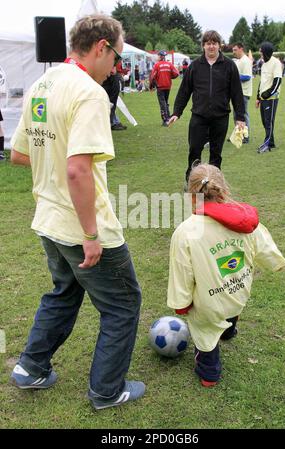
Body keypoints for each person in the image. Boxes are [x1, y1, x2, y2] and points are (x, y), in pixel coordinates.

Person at [9, 14, 145, 410]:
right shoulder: (88, 92)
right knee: (122, 304)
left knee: (64, 291)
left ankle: (31, 367)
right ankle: (106, 390)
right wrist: (90, 234)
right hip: (79, 224)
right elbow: (77, 168)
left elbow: (20, 154)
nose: (117, 67)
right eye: (117, 57)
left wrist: (51, 158)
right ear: (101, 46)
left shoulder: (42, 83)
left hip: (48, 219)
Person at [167, 163, 285, 387]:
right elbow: (265, 247)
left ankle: (209, 373)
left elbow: (181, 272)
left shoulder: (186, 232)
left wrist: (181, 303)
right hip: (238, 293)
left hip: (208, 303)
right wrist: (275, 262)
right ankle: (229, 330)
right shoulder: (246, 221)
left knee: (204, 330)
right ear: (224, 190)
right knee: (229, 309)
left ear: (191, 196)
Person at [168, 30, 245, 181]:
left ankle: (214, 184)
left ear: (219, 46)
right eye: (208, 43)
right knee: (194, 151)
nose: (211, 46)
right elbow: (184, 91)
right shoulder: (195, 66)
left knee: (216, 154)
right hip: (199, 117)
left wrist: (240, 117)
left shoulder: (229, 66)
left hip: (221, 117)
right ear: (203, 46)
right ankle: (191, 181)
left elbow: (237, 93)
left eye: (214, 43)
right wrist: (177, 112)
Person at [256, 42, 282, 154]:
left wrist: (267, 94)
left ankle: (266, 144)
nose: (260, 53)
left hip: (271, 98)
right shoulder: (263, 64)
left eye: (261, 51)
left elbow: (277, 81)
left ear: (266, 51)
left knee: (268, 122)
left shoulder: (276, 63)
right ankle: (271, 142)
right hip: (263, 99)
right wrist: (258, 97)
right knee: (265, 121)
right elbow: (262, 82)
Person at [149, 50, 179, 126]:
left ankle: (165, 120)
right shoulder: (169, 64)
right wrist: (170, 77)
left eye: (158, 55)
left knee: (162, 103)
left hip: (160, 87)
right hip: (168, 86)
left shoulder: (157, 65)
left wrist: (151, 86)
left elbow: (152, 77)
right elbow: (176, 73)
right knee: (165, 102)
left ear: (160, 56)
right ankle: (168, 117)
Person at [232, 43, 253, 143]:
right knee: (236, 115)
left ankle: (245, 136)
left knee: (243, 115)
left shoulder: (246, 60)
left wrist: (233, 77)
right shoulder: (238, 60)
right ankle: (238, 136)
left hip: (244, 92)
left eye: (235, 50)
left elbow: (247, 76)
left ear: (241, 49)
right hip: (237, 92)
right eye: (233, 50)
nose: (233, 52)